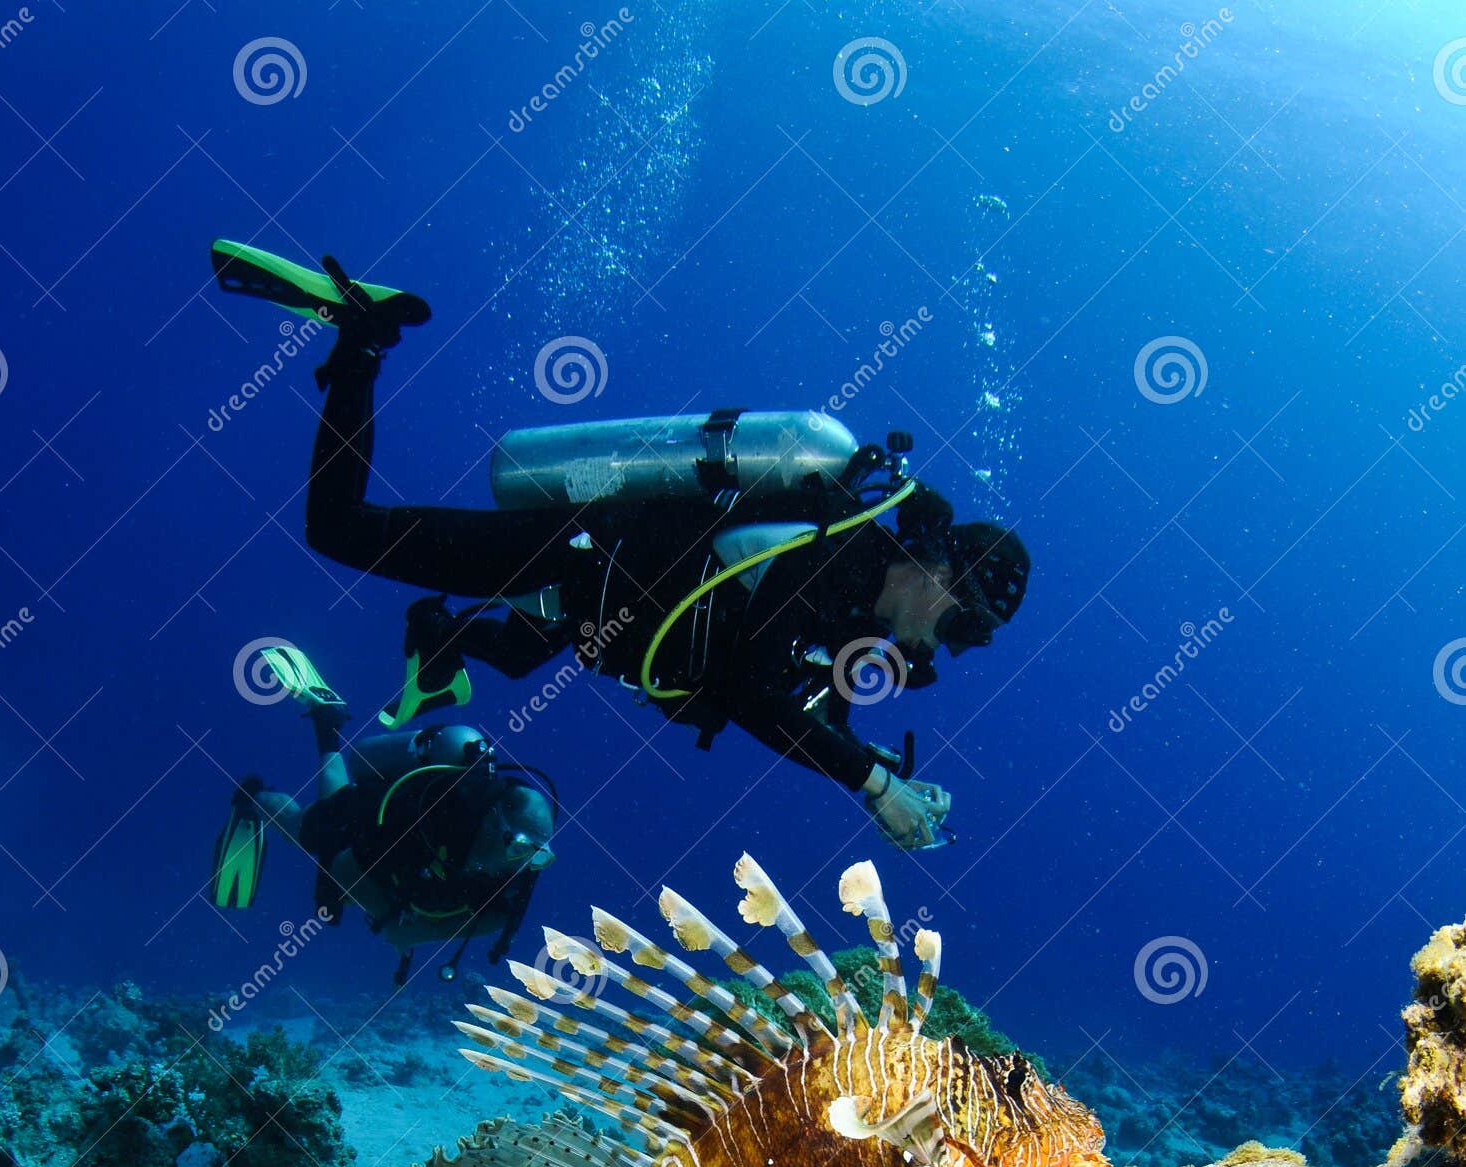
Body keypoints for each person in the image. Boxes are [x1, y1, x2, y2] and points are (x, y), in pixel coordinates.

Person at [210, 241, 1033, 851]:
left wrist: (868, 762)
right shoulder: (828, 551)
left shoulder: (855, 611)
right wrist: (873, 785)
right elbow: (752, 692)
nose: (948, 649)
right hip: (568, 555)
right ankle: (359, 337)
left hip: (588, 618)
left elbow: (802, 703)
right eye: (965, 626)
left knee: (510, 653)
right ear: (936, 569)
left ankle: (438, 637)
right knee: (340, 530)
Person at [211, 645, 555, 983]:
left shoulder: (504, 897)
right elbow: (347, 868)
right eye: (517, 847)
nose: (518, 865)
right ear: (495, 822)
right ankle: (254, 796)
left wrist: (408, 932)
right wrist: (390, 924)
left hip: (395, 866)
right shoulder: (438, 821)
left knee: (335, 863)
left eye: (536, 856)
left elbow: (436, 928)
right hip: (379, 816)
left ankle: (325, 728)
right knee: (308, 832)